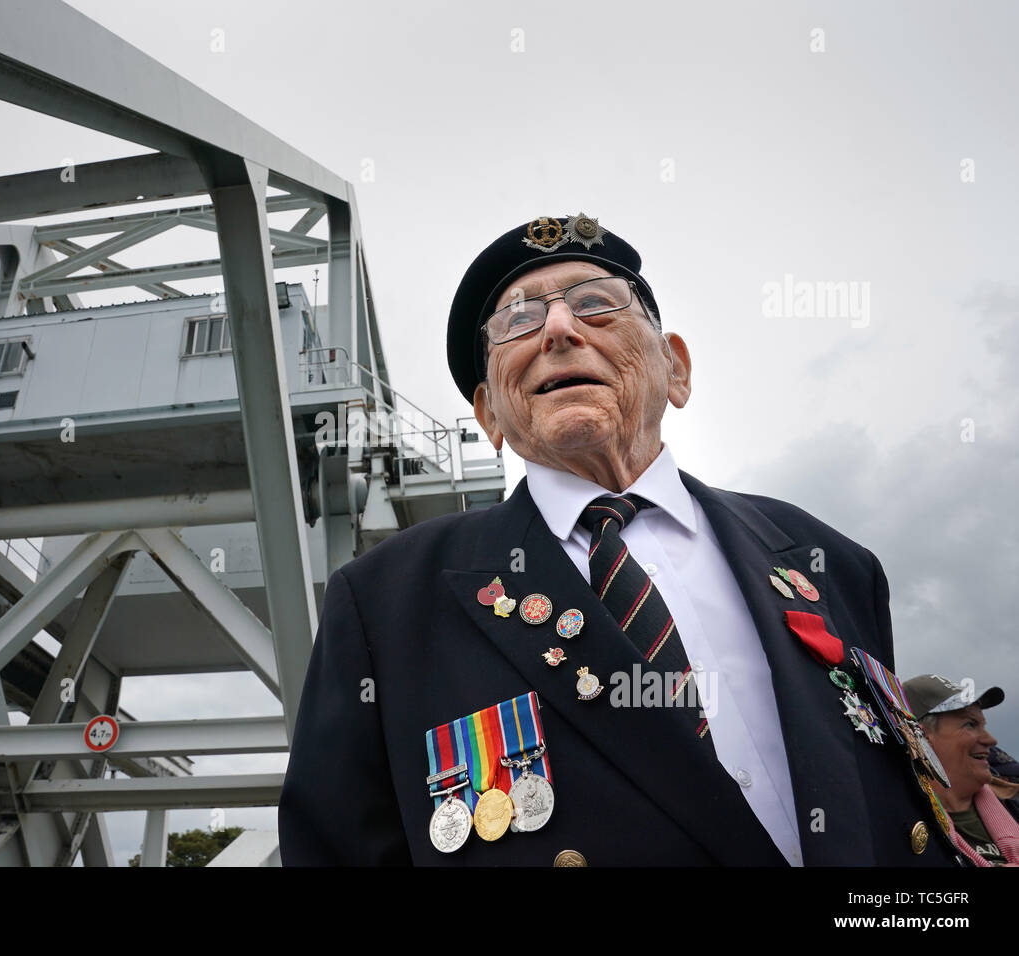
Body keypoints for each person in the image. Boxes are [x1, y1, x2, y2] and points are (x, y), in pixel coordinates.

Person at [279, 212, 956, 865]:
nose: (559, 330)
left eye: (597, 304)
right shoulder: (386, 603)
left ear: (676, 369)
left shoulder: (830, 562)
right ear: (488, 412)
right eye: (519, 318)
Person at [905, 674, 1019, 866]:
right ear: (920, 737)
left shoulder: (1014, 809)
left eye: (982, 725)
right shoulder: (903, 825)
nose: (991, 740)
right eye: (970, 724)